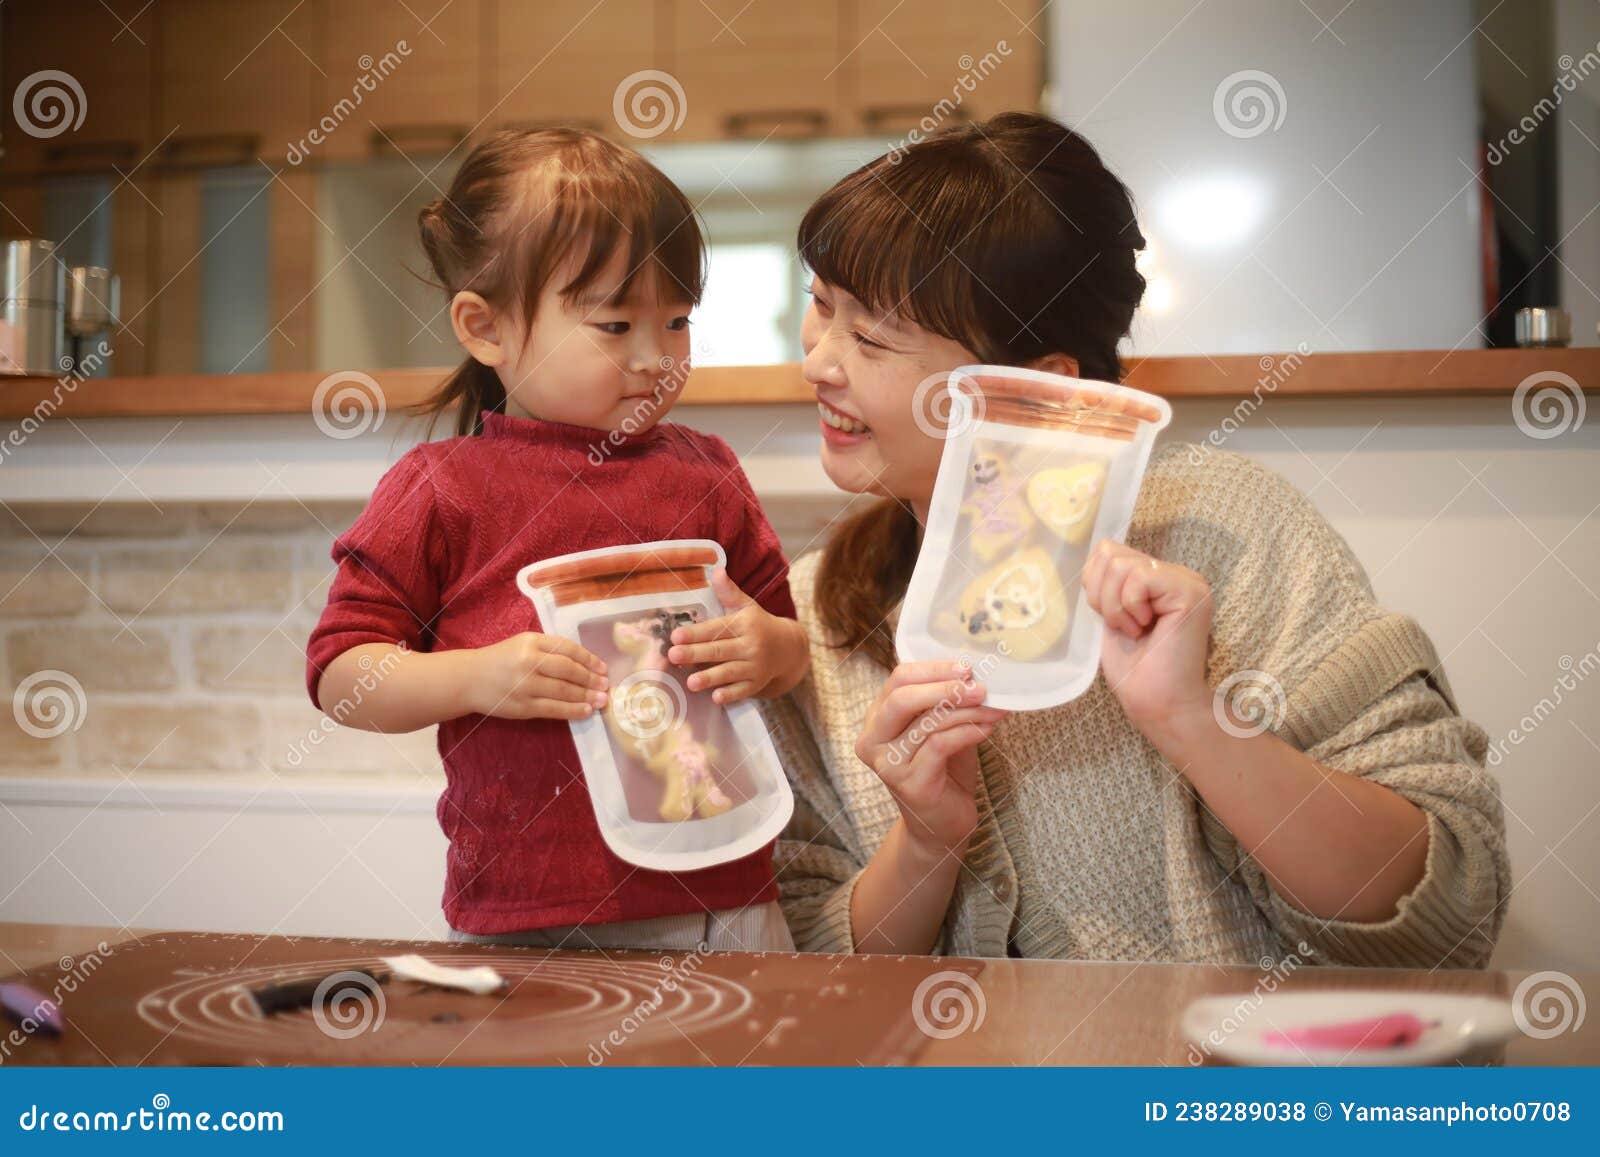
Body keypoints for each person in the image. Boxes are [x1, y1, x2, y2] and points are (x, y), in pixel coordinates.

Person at [767, 112, 1509, 967]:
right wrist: (926, 844)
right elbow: (808, 967)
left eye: (868, 337)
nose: (819, 362)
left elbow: (1449, 913)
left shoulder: (1219, 530)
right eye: (822, 310)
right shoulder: (811, 615)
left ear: (1035, 388)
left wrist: (1192, 722)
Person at [306, 128, 808, 952]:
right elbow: (341, 675)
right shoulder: (443, 488)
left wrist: (769, 648)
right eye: (615, 325)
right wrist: (477, 677)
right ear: (485, 328)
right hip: (528, 916)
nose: (657, 358)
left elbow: (790, 648)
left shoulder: (707, 473)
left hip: (726, 893)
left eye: (677, 320)